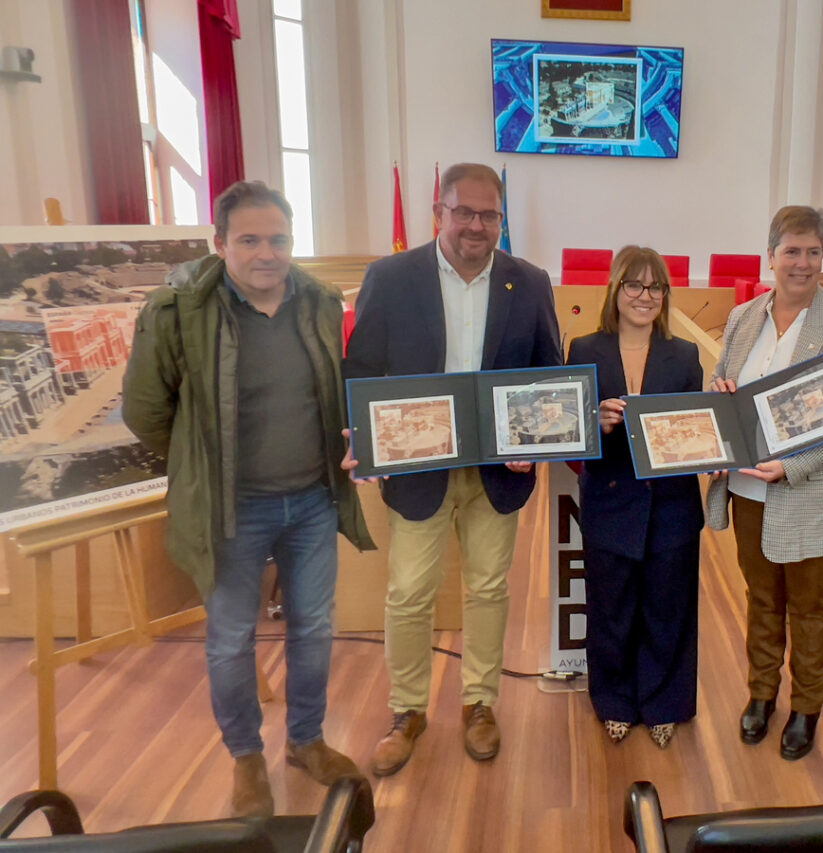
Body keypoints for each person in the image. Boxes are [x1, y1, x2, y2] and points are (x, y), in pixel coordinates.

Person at [121, 180, 375, 818]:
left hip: (313, 499)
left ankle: (306, 741)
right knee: (231, 637)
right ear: (220, 243)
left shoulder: (317, 300)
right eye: (250, 239)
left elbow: (333, 390)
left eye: (279, 239)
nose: (267, 253)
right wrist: (198, 464)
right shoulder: (179, 310)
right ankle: (244, 757)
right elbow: (147, 412)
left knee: (314, 628)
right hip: (231, 510)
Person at [343, 162, 561, 772]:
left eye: (489, 214)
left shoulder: (530, 281)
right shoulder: (390, 277)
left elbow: (547, 375)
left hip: (498, 471)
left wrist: (536, 443)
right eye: (463, 211)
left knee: (489, 588)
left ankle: (480, 703)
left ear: (501, 219)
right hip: (419, 467)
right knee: (409, 592)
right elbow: (360, 368)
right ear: (439, 212)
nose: (476, 225)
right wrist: (365, 434)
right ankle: (407, 710)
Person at [706, 205, 823, 760]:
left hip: (809, 490)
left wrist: (793, 465)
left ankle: (806, 708)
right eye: (791, 251)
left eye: (813, 252)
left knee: (810, 607)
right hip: (749, 486)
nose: (802, 263)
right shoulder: (743, 318)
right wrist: (721, 394)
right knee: (761, 599)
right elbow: (721, 382)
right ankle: (761, 695)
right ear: (770, 255)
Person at [565, 246, 704, 749]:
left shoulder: (685, 355)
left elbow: (694, 436)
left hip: (671, 505)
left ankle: (665, 703)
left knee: (668, 608)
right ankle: (615, 701)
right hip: (610, 498)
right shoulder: (583, 348)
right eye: (635, 285)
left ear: (665, 296)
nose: (645, 297)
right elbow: (566, 435)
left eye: (655, 288)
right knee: (611, 608)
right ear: (616, 289)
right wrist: (592, 424)